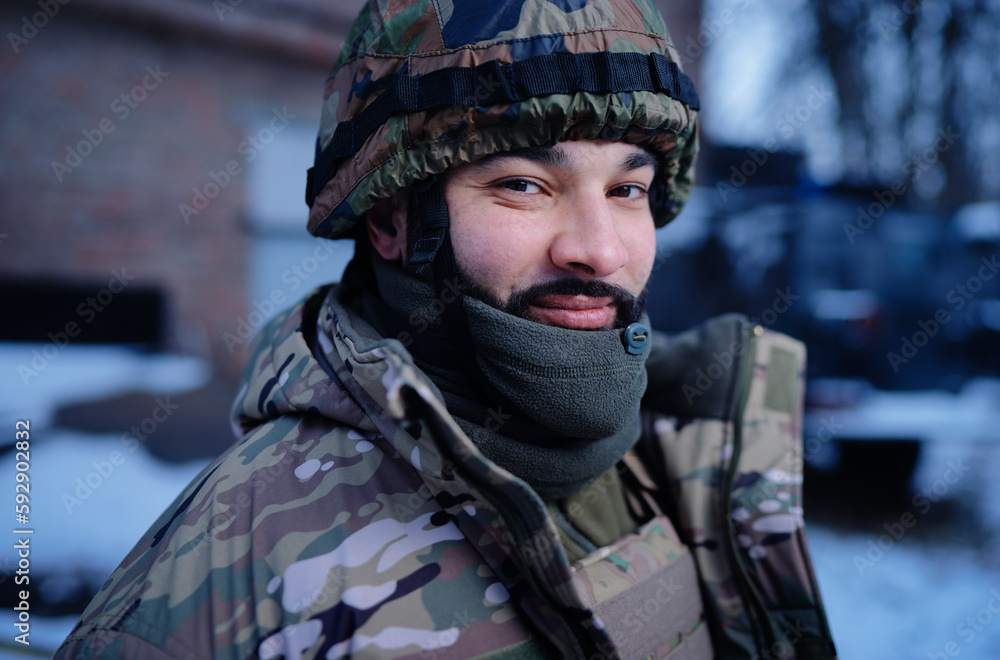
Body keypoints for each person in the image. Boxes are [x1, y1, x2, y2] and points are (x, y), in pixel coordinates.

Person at [56, 0, 837, 658]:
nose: (599, 249)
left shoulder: (680, 443)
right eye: (525, 185)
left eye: (629, 189)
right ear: (395, 221)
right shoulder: (231, 560)